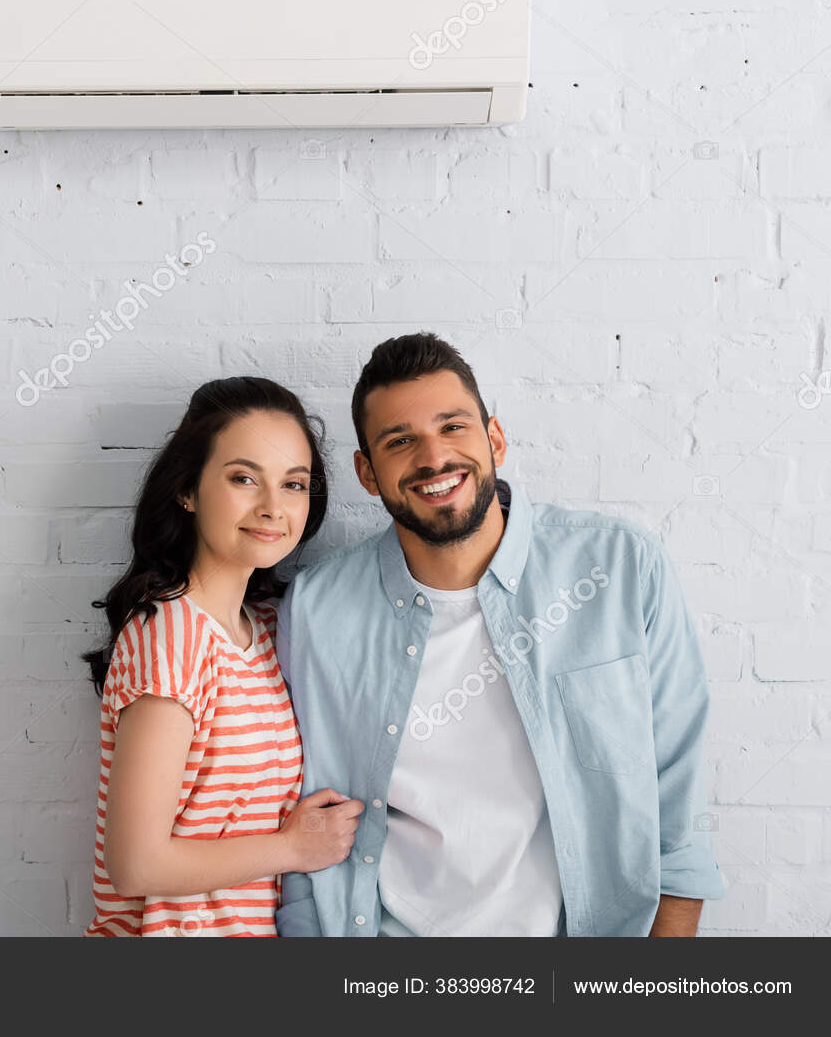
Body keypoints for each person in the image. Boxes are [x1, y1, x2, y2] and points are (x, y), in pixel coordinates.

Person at [274, 332, 727, 936]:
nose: (433, 458)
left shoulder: (619, 570)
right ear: (367, 472)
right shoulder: (317, 608)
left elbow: (679, 800)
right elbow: (305, 816)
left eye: (453, 427)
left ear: (495, 439)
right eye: (400, 440)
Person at [79, 376, 363, 936]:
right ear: (188, 489)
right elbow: (135, 864)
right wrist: (292, 848)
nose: (272, 507)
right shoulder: (170, 636)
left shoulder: (264, 627)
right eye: (243, 478)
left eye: (294, 484)